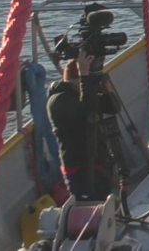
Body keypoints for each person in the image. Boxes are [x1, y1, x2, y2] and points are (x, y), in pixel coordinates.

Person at [47, 51, 118, 201]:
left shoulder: (84, 95)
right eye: (84, 80)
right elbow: (87, 107)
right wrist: (84, 74)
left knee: (103, 201)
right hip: (79, 169)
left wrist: (104, 82)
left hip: (98, 162)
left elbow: (113, 108)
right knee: (89, 206)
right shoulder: (58, 100)